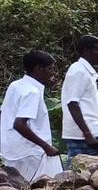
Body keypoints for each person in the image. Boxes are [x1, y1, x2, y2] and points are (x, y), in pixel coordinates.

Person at [2, 50, 63, 182]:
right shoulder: (32, 92)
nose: (52, 73)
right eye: (50, 68)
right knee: (48, 189)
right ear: (38, 69)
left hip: (12, 149)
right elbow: (19, 124)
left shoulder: (16, 85)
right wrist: (46, 147)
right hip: (31, 153)